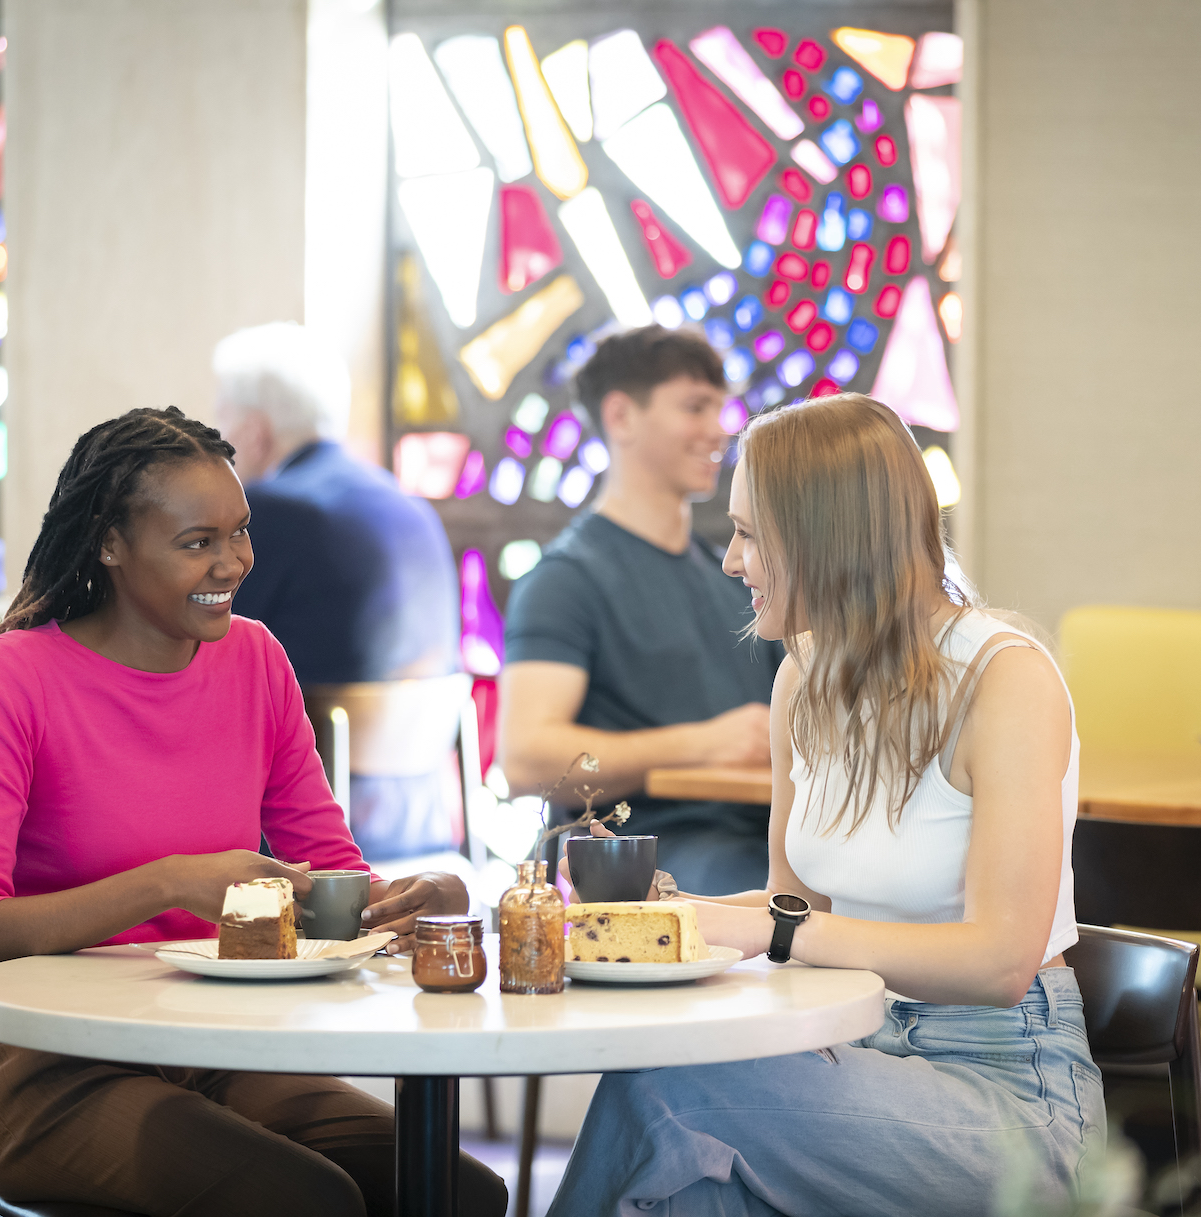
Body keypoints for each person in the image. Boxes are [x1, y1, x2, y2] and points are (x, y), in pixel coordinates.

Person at [0, 407, 505, 1217]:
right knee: (307, 1201)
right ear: (110, 544)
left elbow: (331, 880)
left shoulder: (256, 659)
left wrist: (418, 897)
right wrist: (167, 883)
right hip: (50, 1068)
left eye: (240, 531)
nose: (232, 562)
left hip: (221, 1049)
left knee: (460, 1193)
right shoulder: (12, 676)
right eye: (197, 542)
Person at [550, 394, 1101, 1216]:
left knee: (668, 1091)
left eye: (749, 534)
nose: (730, 561)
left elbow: (999, 961)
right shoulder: (802, 679)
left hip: (1012, 1091)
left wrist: (771, 930)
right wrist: (659, 915)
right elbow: (798, 903)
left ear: (827, 534)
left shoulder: (1005, 677)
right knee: (693, 1194)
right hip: (854, 1051)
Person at [500, 326, 782, 896]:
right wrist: (704, 744)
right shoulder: (566, 580)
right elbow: (526, 758)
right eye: (695, 407)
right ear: (621, 416)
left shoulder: (733, 575)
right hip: (649, 849)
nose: (719, 429)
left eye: (721, 408)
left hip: (764, 830)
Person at [213, 323, 462, 861]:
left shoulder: (270, 511)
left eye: (221, 422)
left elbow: (202, 657)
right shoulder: (412, 508)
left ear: (253, 432)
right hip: (419, 820)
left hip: (313, 836)